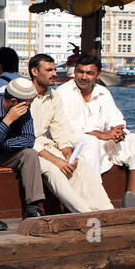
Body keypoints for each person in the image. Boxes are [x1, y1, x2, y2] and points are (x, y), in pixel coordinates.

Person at [57, 54, 135, 207]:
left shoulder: (103, 92)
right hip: (75, 142)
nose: (84, 77)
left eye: (89, 73)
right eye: (80, 72)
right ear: (74, 72)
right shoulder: (63, 93)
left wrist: (118, 131)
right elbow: (69, 129)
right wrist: (101, 135)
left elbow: (116, 118)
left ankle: (133, 198)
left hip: (103, 141)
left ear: (98, 75)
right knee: (90, 142)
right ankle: (94, 200)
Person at [28, 53, 114, 213]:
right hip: (27, 150)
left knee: (80, 166)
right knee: (54, 171)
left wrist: (68, 153)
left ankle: (107, 210)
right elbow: (25, 139)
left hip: (47, 147)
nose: (55, 73)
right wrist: (56, 160)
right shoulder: (23, 95)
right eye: (49, 70)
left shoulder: (54, 96)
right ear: (35, 71)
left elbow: (61, 130)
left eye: (54, 69)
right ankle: (85, 212)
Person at [0, 76, 46, 220]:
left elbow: (29, 139)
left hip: (7, 152)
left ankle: (33, 205)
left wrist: (0, 143)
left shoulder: (24, 108)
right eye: (27, 105)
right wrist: (8, 121)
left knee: (30, 154)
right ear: (13, 102)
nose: (28, 108)